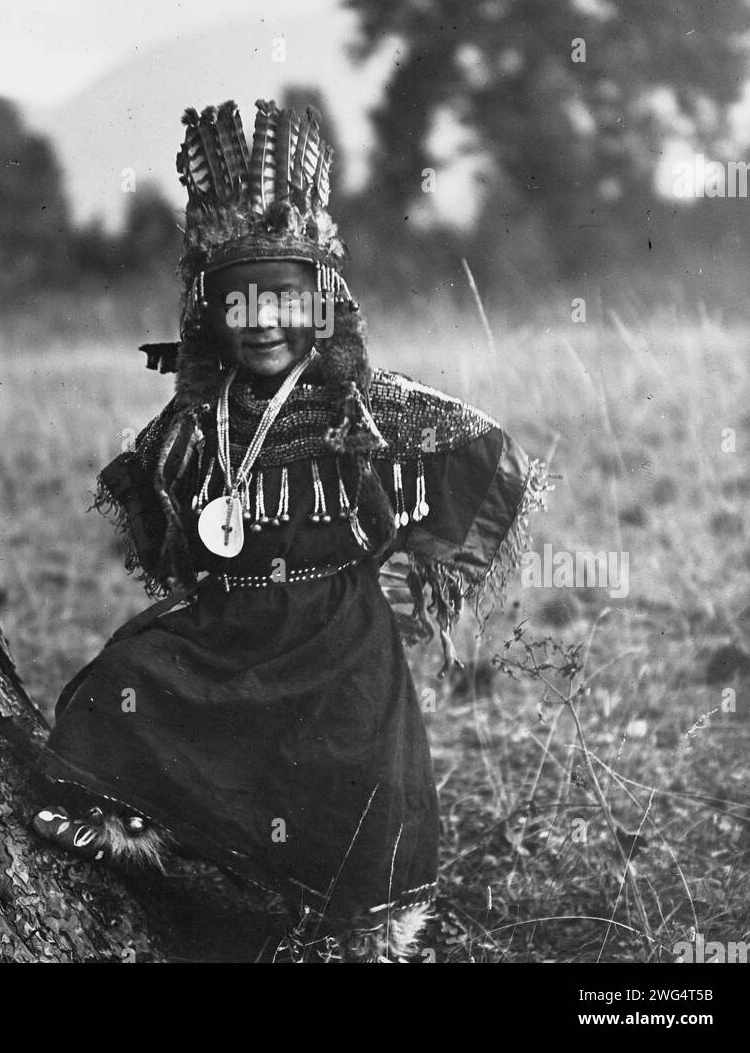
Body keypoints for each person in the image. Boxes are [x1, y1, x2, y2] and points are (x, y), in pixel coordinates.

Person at [32, 98, 549, 961]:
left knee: (353, 787)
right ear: (209, 313)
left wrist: (426, 570)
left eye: (284, 299)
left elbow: (489, 458)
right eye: (241, 304)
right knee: (122, 682)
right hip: (226, 628)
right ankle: (149, 837)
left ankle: (353, 927)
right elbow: (152, 517)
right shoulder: (191, 427)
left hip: (337, 639)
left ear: (321, 302)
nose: (264, 321)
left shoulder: (366, 408)